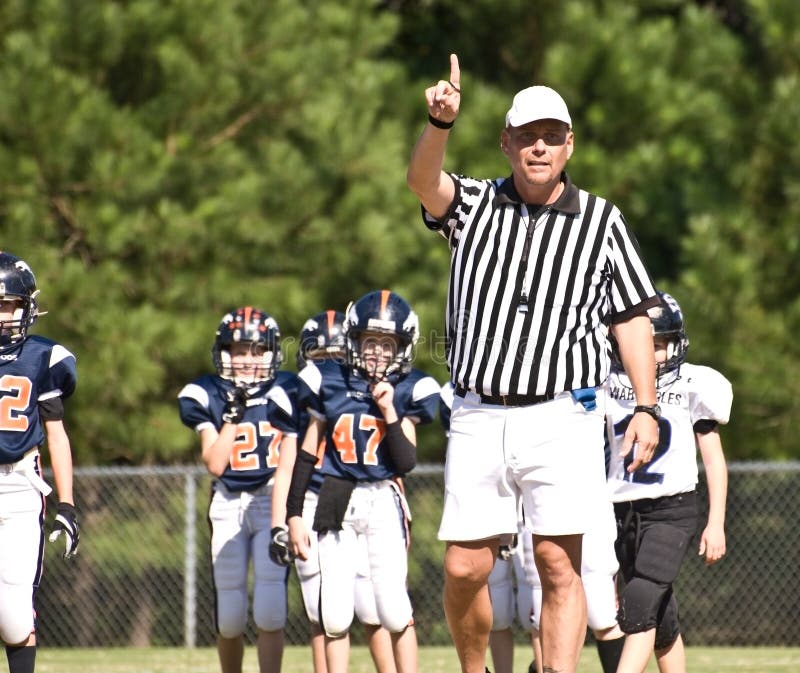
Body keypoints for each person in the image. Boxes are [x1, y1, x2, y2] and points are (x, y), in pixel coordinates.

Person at [407, 53, 662, 673]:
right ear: (506, 144)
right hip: (478, 411)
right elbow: (422, 182)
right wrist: (439, 125)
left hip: (563, 413)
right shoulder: (474, 205)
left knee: (558, 562)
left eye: (551, 137)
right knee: (465, 566)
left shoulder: (601, 221)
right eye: (526, 137)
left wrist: (647, 406)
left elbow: (630, 317)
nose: (539, 148)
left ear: (569, 146)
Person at [285, 290, 440, 673]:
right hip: (336, 496)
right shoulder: (329, 380)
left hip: (382, 498)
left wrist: (388, 409)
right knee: (334, 614)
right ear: (354, 340)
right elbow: (307, 454)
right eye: (371, 342)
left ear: (402, 348)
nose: (377, 352)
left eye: (388, 345)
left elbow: (404, 462)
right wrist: (293, 514)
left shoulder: (408, 389)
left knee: (393, 609)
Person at [606, 291, 731, 673]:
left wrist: (716, 523)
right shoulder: (604, 382)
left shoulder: (695, 383)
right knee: (661, 619)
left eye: (657, 345)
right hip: (620, 509)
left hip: (671, 509)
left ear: (674, 344)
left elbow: (713, 458)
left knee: (640, 601)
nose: (650, 354)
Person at [269, 310, 399, 673]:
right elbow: (288, 465)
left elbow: (386, 459)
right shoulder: (302, 396)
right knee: (322, 610)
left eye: (336, 357)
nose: (329, 366)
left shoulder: (369, 390)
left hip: (362, 499)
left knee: (375, 606)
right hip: (313, 498)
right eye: (320, 358)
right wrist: (281, 522)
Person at [178, 307, 297, 673]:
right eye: (239, 350)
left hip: (272, 501)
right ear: (224, 352)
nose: (247, 359)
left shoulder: (289, 388)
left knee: (270, 608)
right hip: (228, 502)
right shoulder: (206, 393)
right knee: (229, 616)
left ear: (272, 352)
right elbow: (215, 463)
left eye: (257, 350)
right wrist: (232, 416)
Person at [0, 252, 79, 673]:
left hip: (19, 487)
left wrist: (66, 503)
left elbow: (56, 435)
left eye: (9, 304)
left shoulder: (42, 357)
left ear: (27, 306)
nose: (2, 315)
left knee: (14, 615)